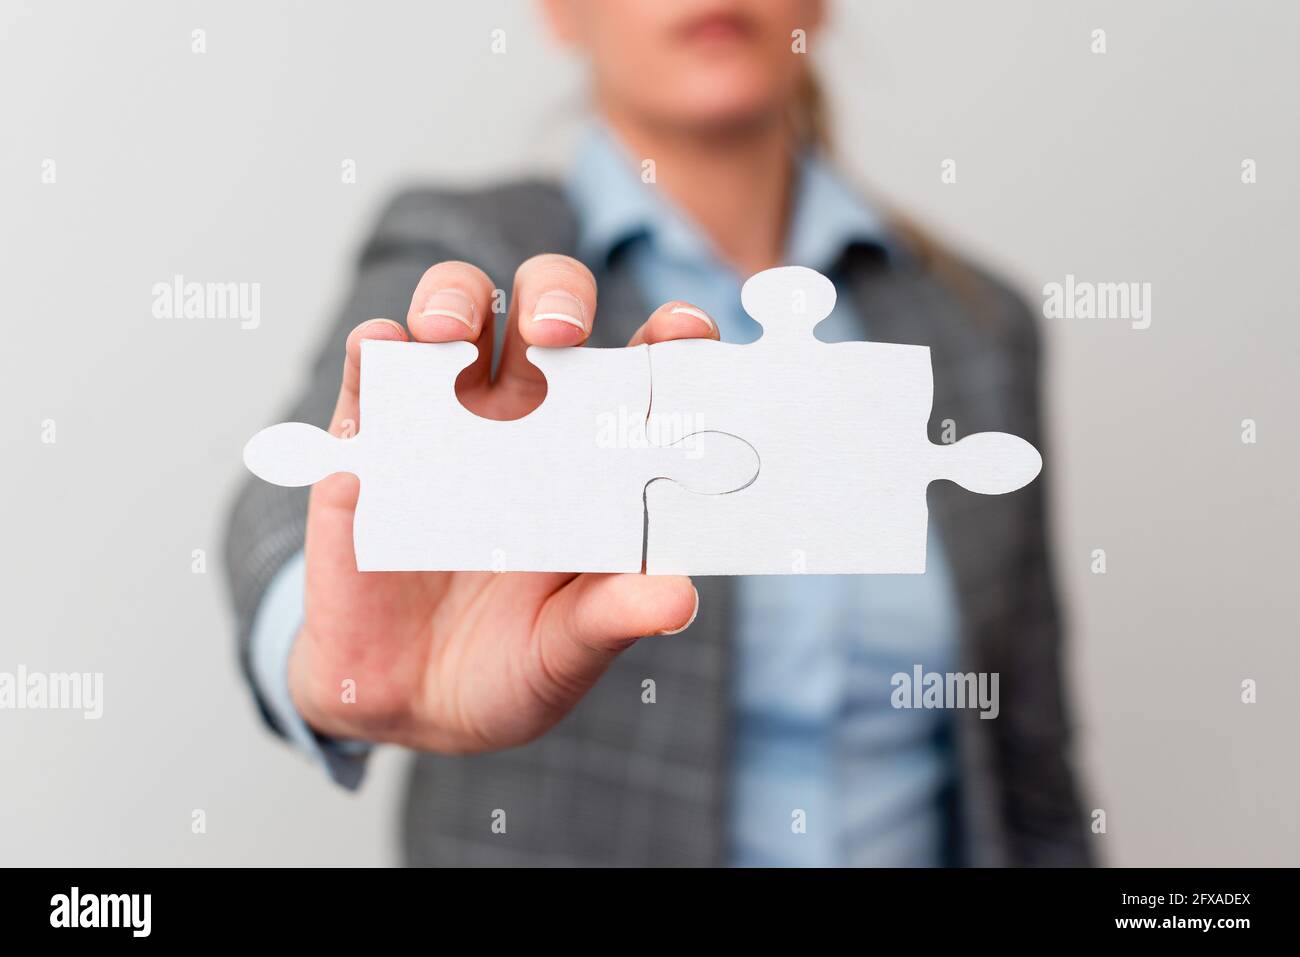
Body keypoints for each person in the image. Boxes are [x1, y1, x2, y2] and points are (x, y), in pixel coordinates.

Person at [224, 0, 1091, 867]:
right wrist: (327, 650)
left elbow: (1032, 769)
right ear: (563, 12)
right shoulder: (477, 249)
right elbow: (286, 498)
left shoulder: (977, 326)